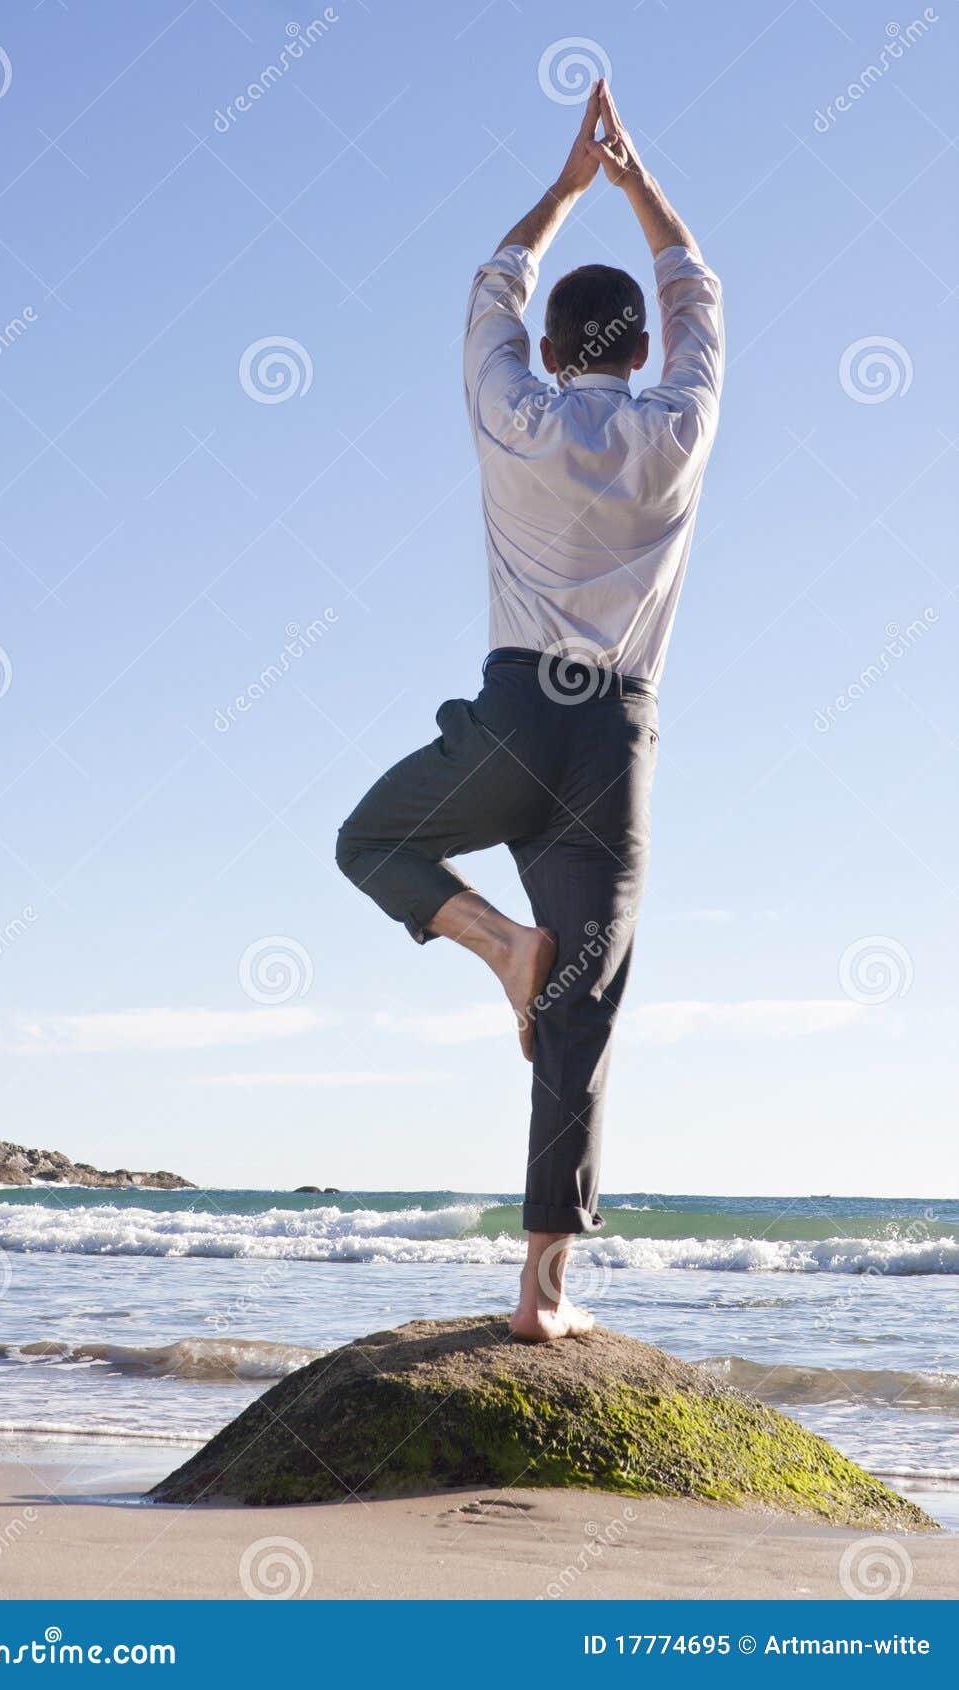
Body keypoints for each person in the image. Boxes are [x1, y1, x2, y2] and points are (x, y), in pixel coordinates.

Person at [336, 81, 724, 1340]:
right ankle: (539, 1299)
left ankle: (496, 942)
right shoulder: (679, 427)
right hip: (614, 741)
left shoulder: (515, 414)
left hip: (511, 725)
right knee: (583, 1012)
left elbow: (494, 286)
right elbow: (695, 290)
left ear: (559, 355)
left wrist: (563, 187)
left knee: (370, 843)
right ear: (639, 353)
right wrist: (637, 182)